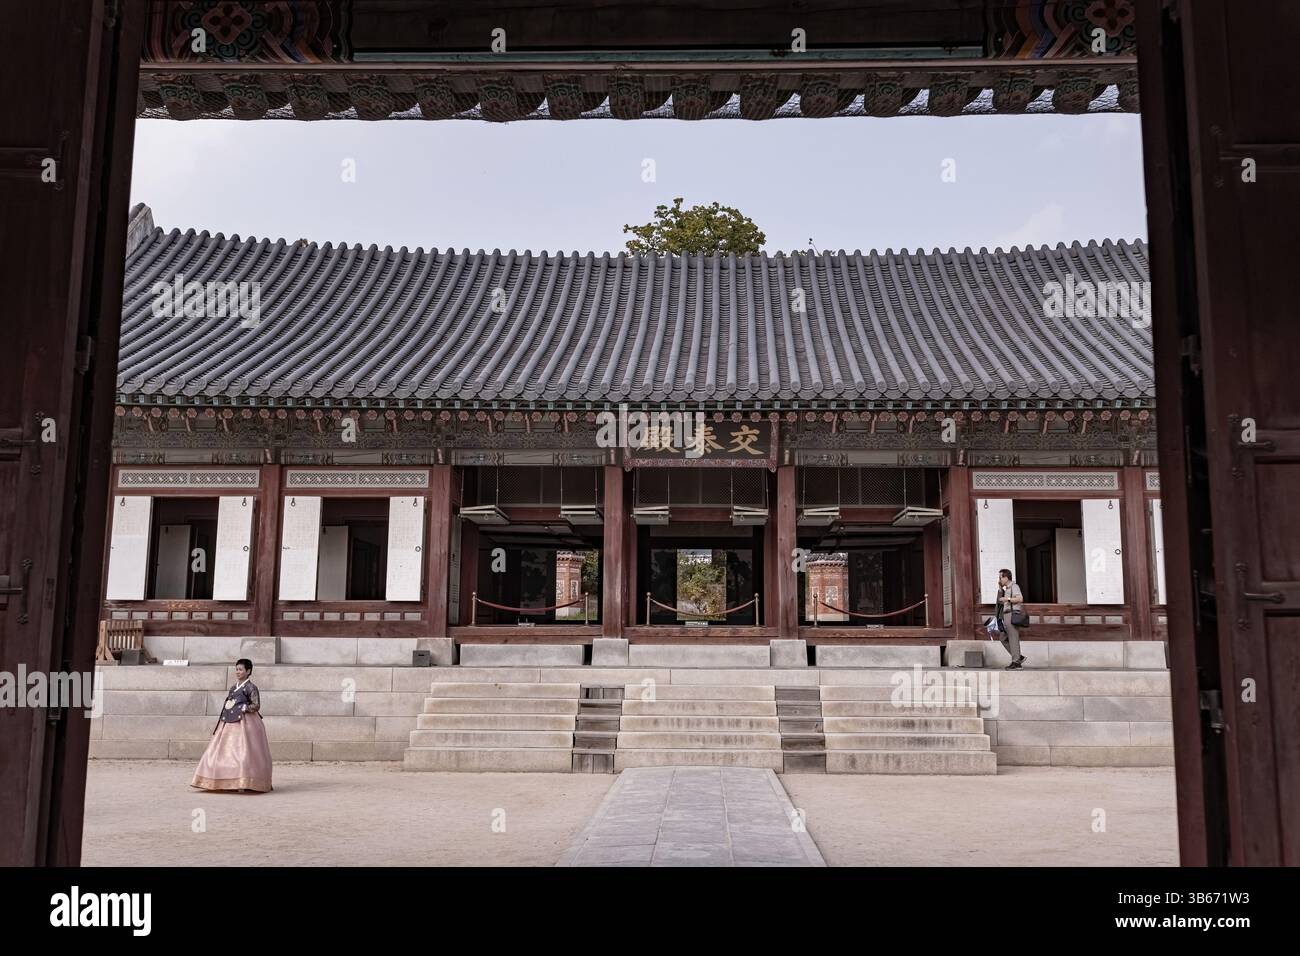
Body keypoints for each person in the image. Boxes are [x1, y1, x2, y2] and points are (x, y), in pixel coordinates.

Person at [191, 658, 272, 792]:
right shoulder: (234, 687)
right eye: (237, 669)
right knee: (224, 750)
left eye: (241, 669)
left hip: (246, 723)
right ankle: (225, 780)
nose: (238, 672)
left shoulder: (251, 687)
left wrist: (243, 707)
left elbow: (256, 705)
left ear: (248, 671)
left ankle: (247, 780)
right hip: (229, 721)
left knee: (246, 752)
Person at [995, 568, 1026, 670]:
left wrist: (1008, 599)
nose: (999, 579)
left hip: (1012, 615)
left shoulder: (1014, 586)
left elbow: (1020, 598)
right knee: (1002, 638)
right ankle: (1018, 656)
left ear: (1006, 577)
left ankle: (1016, 662)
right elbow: (999, 602)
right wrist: (1000, 589)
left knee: (1013, 638)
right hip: (1005, 615)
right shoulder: (1006, 589)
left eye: (1001, 577)